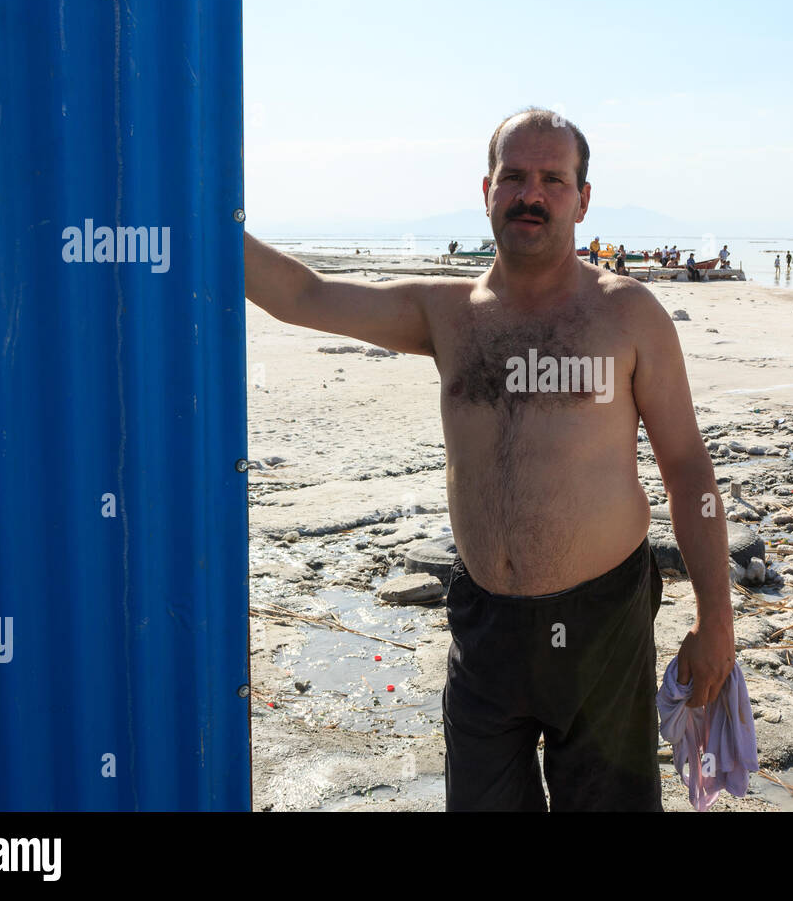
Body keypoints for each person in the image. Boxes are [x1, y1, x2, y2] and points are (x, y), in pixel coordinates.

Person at [243, 108, 733, 812]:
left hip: (601, 624)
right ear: (487, 189)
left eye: (552, 180)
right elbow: (302, 296)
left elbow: (688, 468)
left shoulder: (628, 314)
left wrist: (715, 618)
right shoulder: (445, 312)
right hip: (484, 624)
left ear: (583, 198)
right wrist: (203, 216)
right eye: (515, 177)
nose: (531, 194)